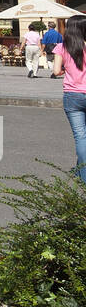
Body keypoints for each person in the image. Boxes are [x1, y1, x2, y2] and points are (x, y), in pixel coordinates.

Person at [52, 15, 86, 183]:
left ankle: (83, 175)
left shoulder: (62, 47)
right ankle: (81, 171)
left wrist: (68, 70)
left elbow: (56, 71)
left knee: (81, 137)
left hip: (72, 95)